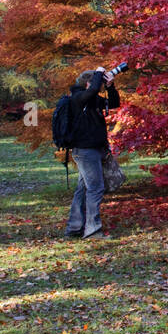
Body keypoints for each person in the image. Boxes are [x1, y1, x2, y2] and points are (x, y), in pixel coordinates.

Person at [64, 67, 120, 239]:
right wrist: (98, 72)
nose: (100, 86)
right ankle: (93, 230)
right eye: (98, 83)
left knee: (83, 189)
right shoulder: (78, 98)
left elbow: (114, 103)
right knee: (96, 188)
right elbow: (94, 89)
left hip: (92, 150)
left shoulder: (91, 100)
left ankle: (74, 228)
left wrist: (110, 86)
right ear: (89, 83)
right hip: (86, 151)